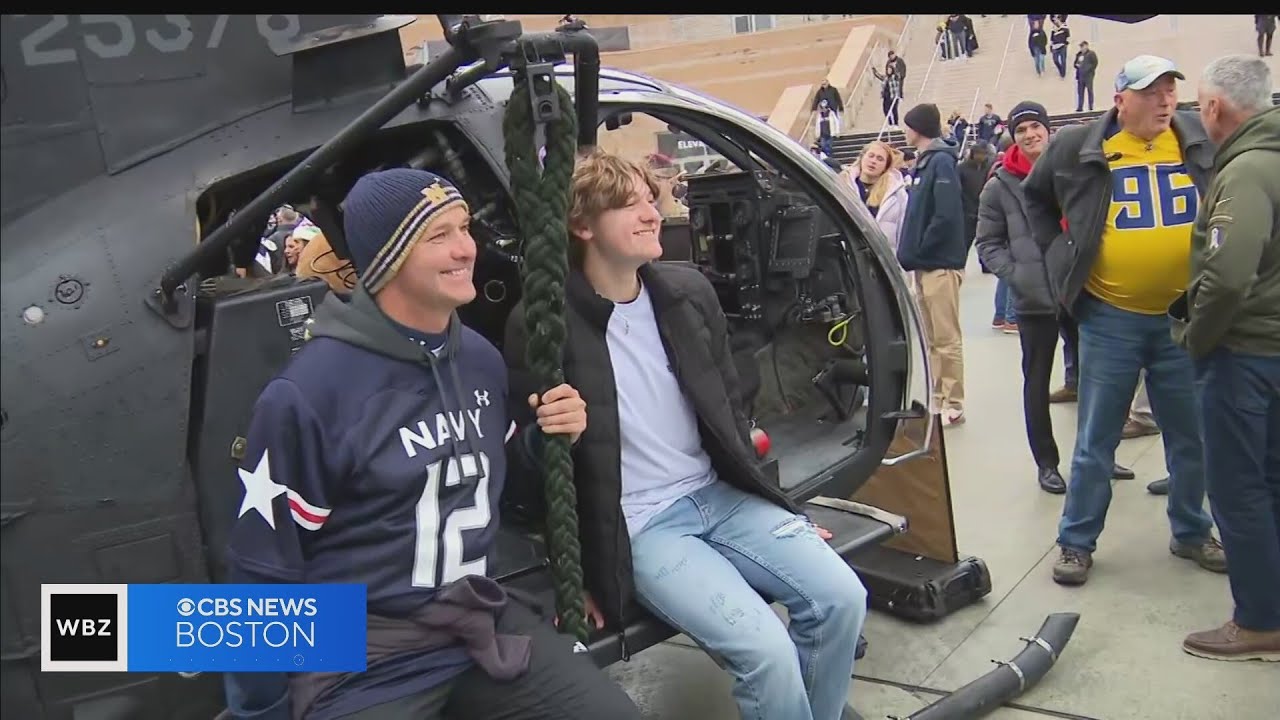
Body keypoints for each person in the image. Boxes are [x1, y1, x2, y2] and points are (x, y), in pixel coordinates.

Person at [222, 168, 643, 720]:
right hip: (362, 652)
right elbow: (262, 572)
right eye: (438, 235)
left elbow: (507, 495)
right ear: (388, 258)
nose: (466, 248)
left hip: (476, 621)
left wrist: (546, 442)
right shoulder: (311, 393)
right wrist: (262, 710)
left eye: (464, 227)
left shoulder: (479, 360)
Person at [504, 151, 869, 720]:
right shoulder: (544, 324)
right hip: (643, 526)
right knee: (766, 653)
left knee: (842, 597)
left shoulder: (687, 293)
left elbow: (731, 411)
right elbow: (531, 474)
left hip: (721, 498)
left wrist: (778, 510)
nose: (652, 213)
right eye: (629, 205)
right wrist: (571, 570)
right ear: (582, 225)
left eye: (651, 199)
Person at [1023, 55, 1226, 586]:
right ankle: (1076, 542)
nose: (1163, 100)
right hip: (1110, 317)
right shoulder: (1078, 145)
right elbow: (1036, 199)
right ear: (1120, 99)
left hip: (1182, 318)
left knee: (1191, 436)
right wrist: (1059, 256)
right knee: (1096, 439)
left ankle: (1190, 529)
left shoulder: (1197, 140)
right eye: (1150, 91)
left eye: (1169, 89)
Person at [1173, 54, 1280, 662]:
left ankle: (1261, 617)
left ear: (1214, 108)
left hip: (1245, 355)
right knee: (1272, 480)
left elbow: (1229, 273)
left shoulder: (1243, 173)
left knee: (1239, 489)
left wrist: (1197, 336)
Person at [896, 103, 967, 425]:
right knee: (931, 338)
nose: (903, 131)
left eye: (907, 125)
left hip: (938, 264)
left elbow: (945, 214)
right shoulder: (925, 164)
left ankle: (954, 400)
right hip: (924, 265)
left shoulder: (940, 163)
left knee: (946, 337)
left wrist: (922, 249)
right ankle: (937, 397)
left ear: (918, 128)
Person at [844, 140, 909, 255]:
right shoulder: (844, 185)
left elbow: (903, 231)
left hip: (884, 258)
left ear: (885, 166)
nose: (873, 161)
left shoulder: (896, 193)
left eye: (880, 159)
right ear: (862, 158)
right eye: (871, 156)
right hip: (852, 256)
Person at [1074, 41, 1099, 112]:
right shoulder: (1079, 54)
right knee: (1080, 91)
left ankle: (1090, 106)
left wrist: (1089, 70)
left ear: (1086, 46)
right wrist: (1077, 65)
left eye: (1083, 46)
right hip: (1080, 75)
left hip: (1088, 76)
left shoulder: (1091, 54)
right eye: (1081, 46)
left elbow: (1095, 63)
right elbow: (1075, 63)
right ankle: (1080, 106)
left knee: (1089, 90)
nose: (1082, 48)